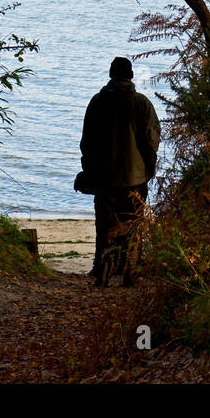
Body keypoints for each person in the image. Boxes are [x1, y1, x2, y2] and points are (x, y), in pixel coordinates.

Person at [79, 57, 160, 286]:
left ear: (110, 75)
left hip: (104, 179)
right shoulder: (142, 104)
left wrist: (89, 169)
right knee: (134, 225)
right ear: (131, 76)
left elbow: (87, 142)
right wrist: (148, 169)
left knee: (104, 224)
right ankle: (130, 273)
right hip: (135, 179)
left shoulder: (97, 102)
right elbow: (152, 140)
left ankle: (100, 271)